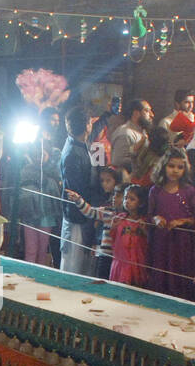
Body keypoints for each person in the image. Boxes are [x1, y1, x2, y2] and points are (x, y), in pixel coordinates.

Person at [147, 147, 195, 298]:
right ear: (163, 166)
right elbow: (149, 215)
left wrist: (182, 221)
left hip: (182, 244)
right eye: (171, 166)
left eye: (180, 167)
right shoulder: (155, 190)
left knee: (179, 276)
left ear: (185, 169)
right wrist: (156, 219)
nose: (175, 170)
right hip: (161, 241)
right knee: (161, 276)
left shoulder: (189, 191)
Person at [17, 106, 63, 265]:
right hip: (30, 215)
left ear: (49, 155)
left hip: (47, 216)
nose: (39, 156)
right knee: (30, 250)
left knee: (43, 250)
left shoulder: (53, 173)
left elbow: (57, 192)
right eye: (36, 153)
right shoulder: (26, 171)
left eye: (43, 154)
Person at [59, 107, 99, 276]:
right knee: (73, 263)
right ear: (87, 125)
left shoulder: (78, 144)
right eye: (90, 122)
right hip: (78, 214)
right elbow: (77, 187)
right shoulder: (73, 153)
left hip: (83, 211)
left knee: (82, 262)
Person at [67, 168, 121, 279]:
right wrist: (78, 200)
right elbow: (90, 211)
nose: (104, 184)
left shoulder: (127, 217)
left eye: (119, 195)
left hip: (120, 257)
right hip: (105, 254)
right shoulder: (107, 210)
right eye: (102, 181)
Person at [109, 98, 153, 168]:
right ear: (136, 113)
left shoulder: (143, 131)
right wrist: (143, 161)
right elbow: (117, 161)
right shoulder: (125, 133)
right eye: (147, 111)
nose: (152, 115)